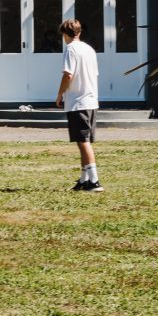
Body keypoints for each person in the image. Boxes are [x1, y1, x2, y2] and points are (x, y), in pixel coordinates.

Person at [55, 18, 103, 192]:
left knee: (83, 142)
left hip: (77, 101)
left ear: (64, 34)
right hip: (91, 100)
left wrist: (60, 94)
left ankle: (95, 181)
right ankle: (84, 179)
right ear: (79, 32)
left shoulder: (70, 49)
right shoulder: (89, 49)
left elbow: (68, 75)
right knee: (83, 140)